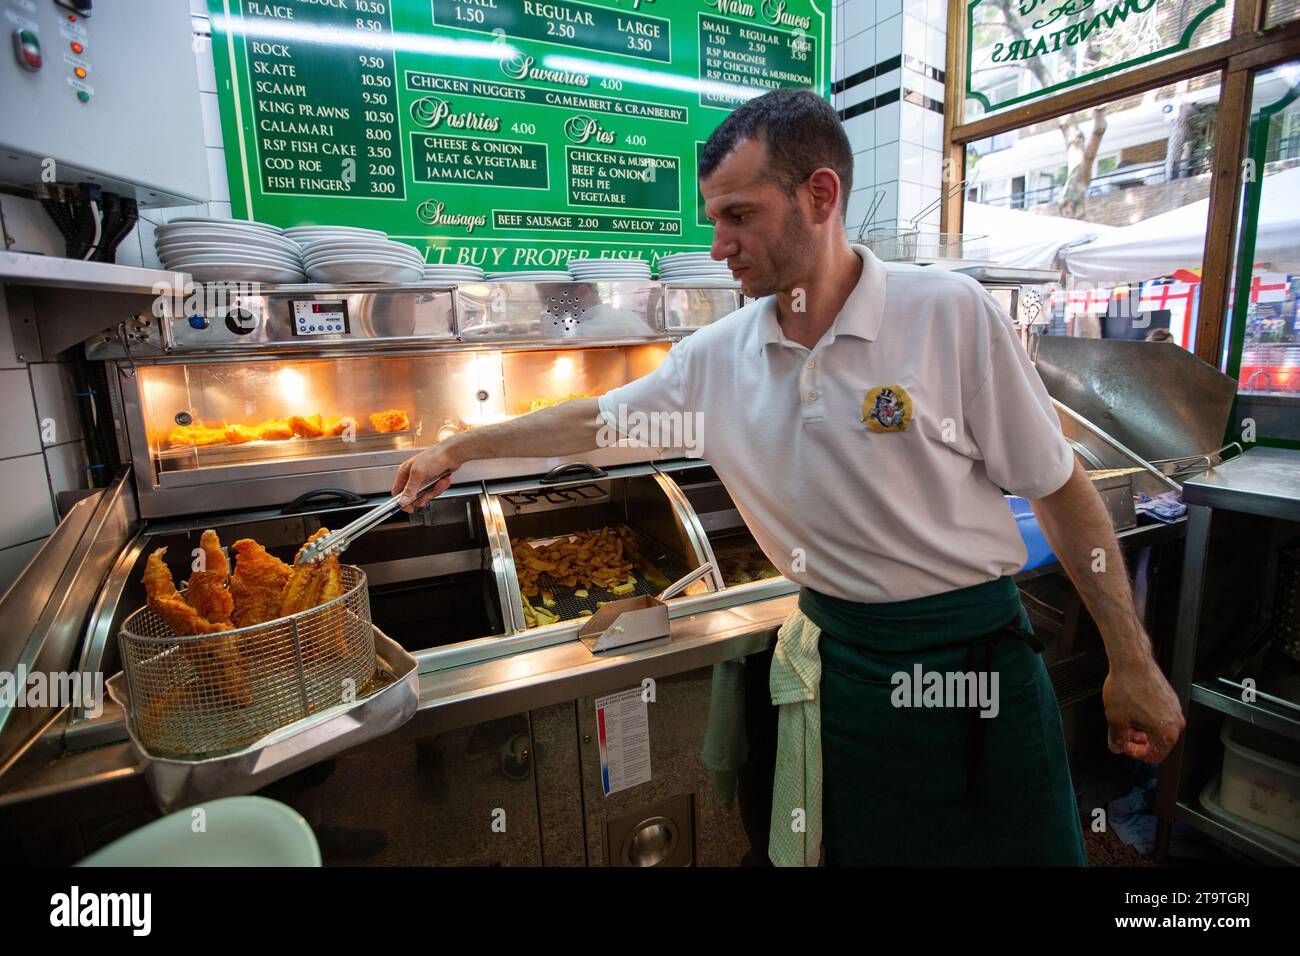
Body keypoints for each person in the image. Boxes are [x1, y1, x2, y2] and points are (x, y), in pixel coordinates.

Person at [392, 87, 1185, 866]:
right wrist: (462, 446)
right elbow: (596, 422)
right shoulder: (717, 359)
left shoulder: (949, 315)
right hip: (852, 676)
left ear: (820, 195)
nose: (717, 246)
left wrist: (1133, 659)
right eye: (713, 220)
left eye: (739, 216)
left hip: (978, 668)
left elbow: (1059, 488)